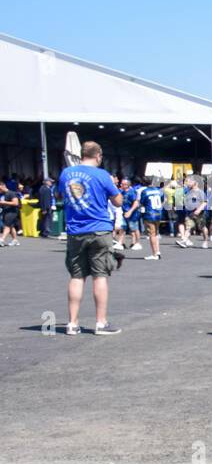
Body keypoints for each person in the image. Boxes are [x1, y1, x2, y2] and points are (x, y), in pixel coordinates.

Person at [56, 141, 124, 335]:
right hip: (99, 229)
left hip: (75, 229)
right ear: (98, 156)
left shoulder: (66, 173)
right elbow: (118, 201)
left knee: (76, 276)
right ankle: (101, 323)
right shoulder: (102, 174)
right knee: (99, 275)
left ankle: (72, 323)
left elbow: (61, 195)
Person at [138, 178, 166, 260]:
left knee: (151, 234)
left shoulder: (145, 191)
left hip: (150, 213)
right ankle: (157, 251)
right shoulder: (158, 190)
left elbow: (142, 202)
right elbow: (162, 200)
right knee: (156, 233)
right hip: (158, 213)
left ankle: (154, 254)